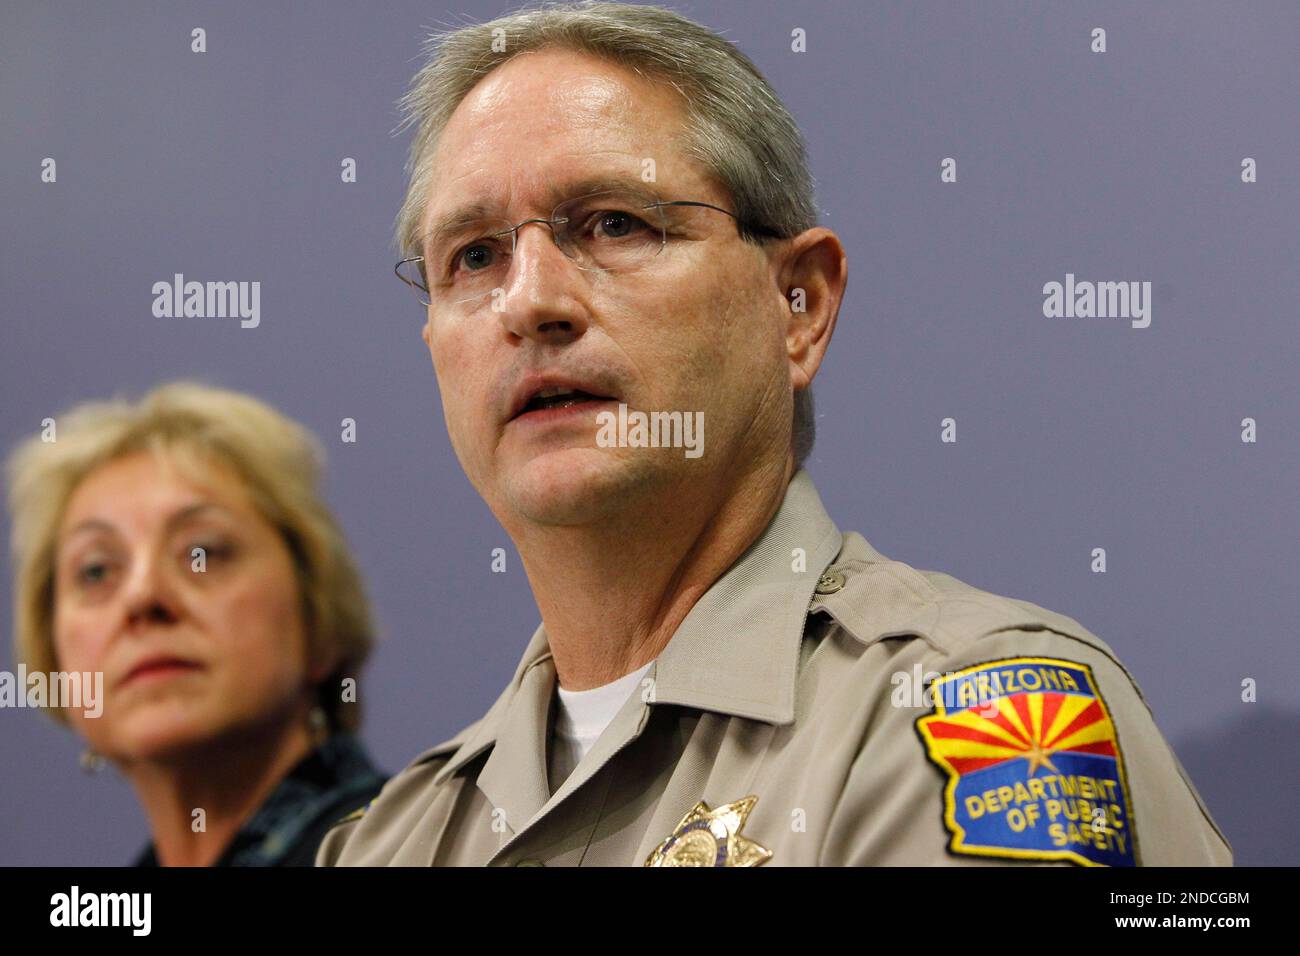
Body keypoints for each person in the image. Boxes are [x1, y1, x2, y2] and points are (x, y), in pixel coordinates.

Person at [321, 1, 1231, 866]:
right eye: (475, 255)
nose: (531, 302)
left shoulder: (987, 714)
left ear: (799, 306)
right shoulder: (390, 841)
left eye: (613, 224)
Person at [6, 381, 387, 866]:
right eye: (96, 570)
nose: (143, 596)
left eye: (201, 552)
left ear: (317, 619)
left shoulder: (419, 848)